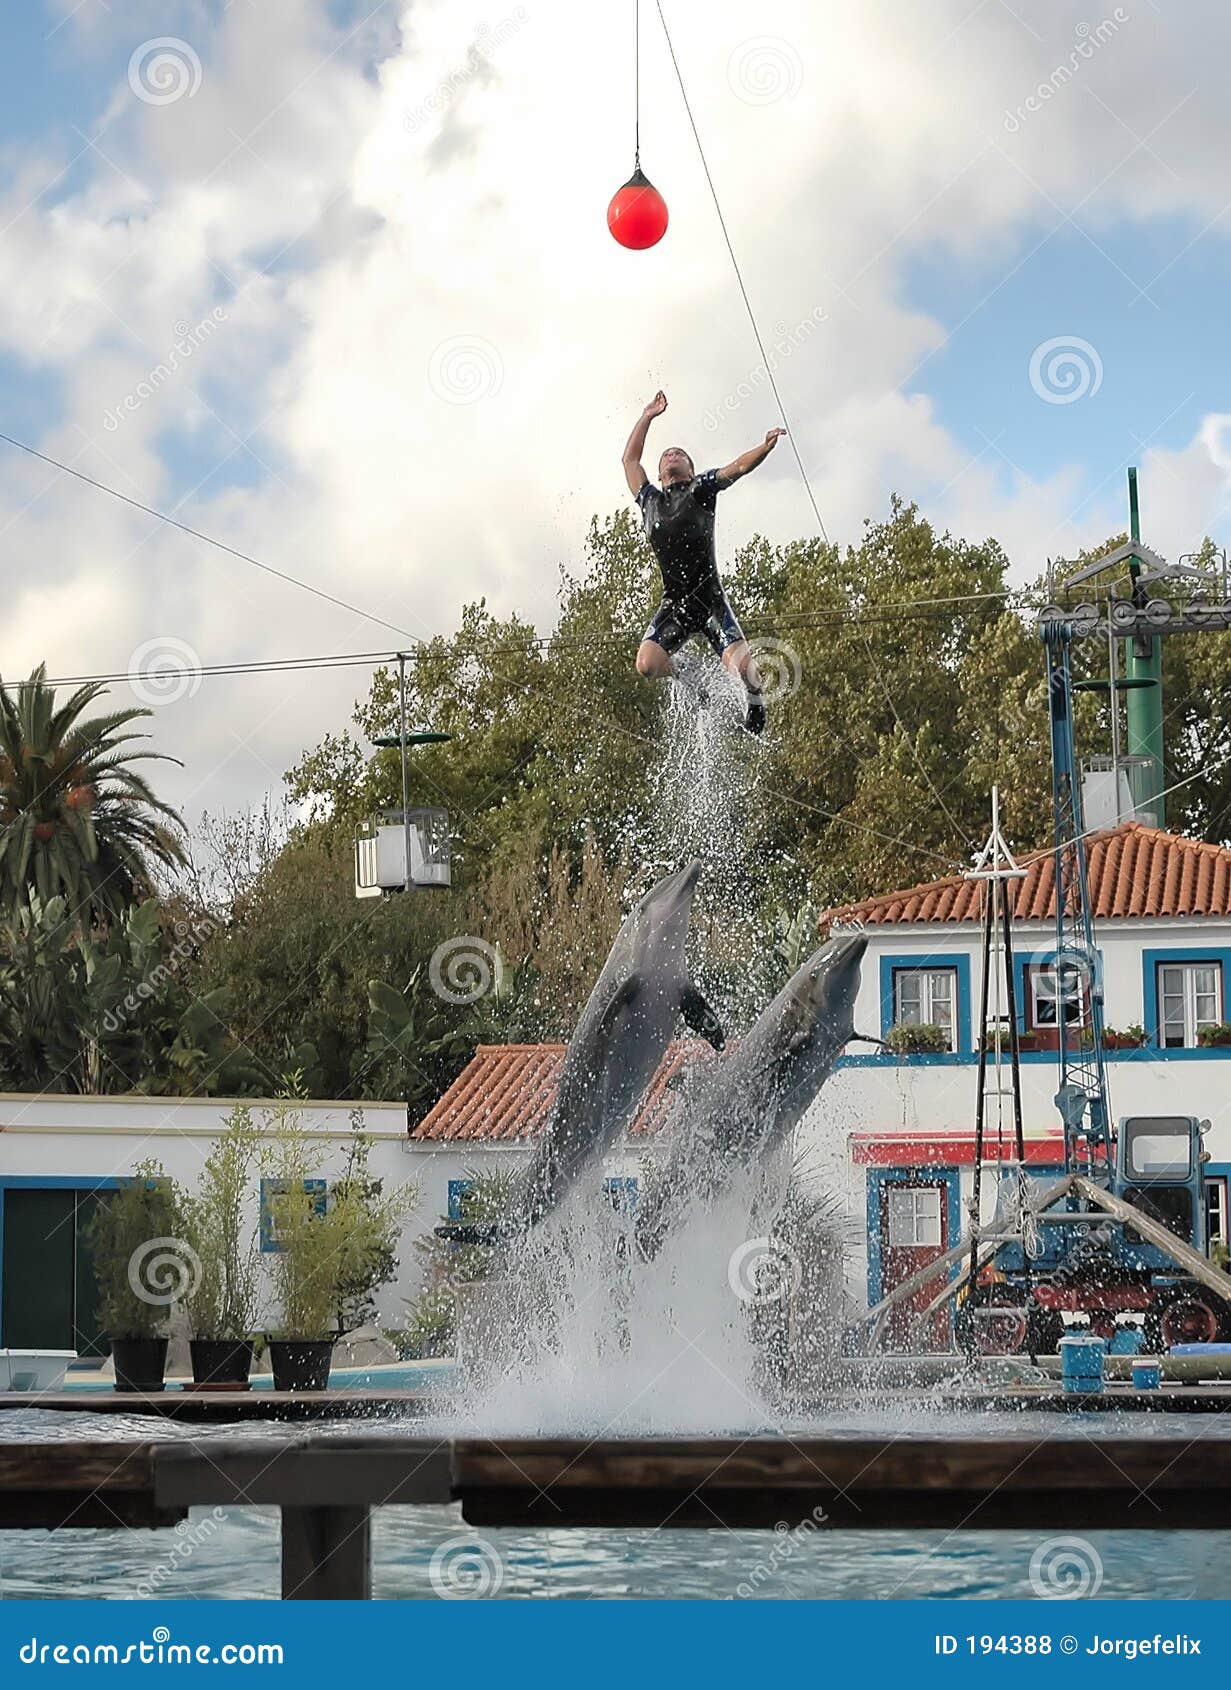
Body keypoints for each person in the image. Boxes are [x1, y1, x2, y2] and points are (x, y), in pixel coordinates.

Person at [623, 389, 784, 734]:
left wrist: (765, 448)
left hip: (709, 601)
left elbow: (738, 467)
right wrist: (647, 416)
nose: (672, 455)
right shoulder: (649, 500)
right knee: (646, 664)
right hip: (675, 606)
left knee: (745, 670)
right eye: (666, 454)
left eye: (679, 453)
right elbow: (630, 462)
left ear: (689, 468)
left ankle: (755, 702)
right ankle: (688, 673)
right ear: (660, 469)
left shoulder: (701, 489)